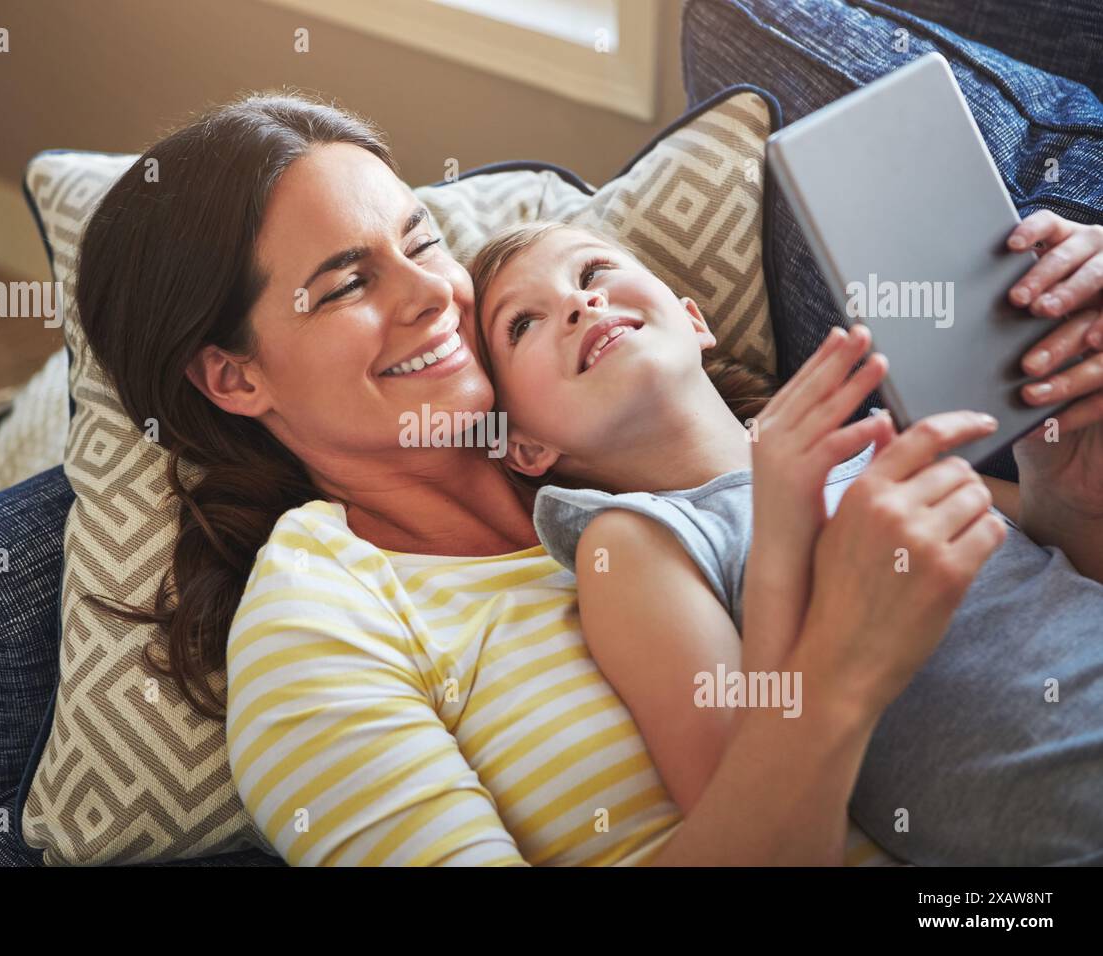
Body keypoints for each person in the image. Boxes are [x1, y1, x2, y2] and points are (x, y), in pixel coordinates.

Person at [73, 92, 1103, 865]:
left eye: (422, 239)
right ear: (234, 375)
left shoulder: (669, 447)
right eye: (347, 282)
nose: (432, 293)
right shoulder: (318, 628)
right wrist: (839, 675)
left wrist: (1067, 488)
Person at [469, 219, 1103, 864]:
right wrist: (787, 555)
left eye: (592, 272)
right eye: (523, 323)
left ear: (693, 320)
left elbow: (1063, 576)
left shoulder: (873, 443)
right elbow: (753, 809)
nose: (580, 304)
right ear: (526, 447)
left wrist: (1069, 497)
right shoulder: (637, 540)